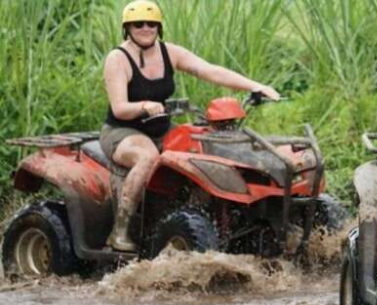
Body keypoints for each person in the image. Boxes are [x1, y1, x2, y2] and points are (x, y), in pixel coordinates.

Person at [101, 0, 281, 251]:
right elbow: (120, 107)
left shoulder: (169, 52)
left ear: (159, 27)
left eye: (151, 23)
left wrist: (255, 86)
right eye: (138, 24)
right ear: (127, 28)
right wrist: (144, 106)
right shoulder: (117, 59)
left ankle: (208, 216)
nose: (145, 28)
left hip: (162, 130)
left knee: (202, 151)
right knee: (147, 157)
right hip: (124, 132)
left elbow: (210, 70)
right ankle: (119, 231)